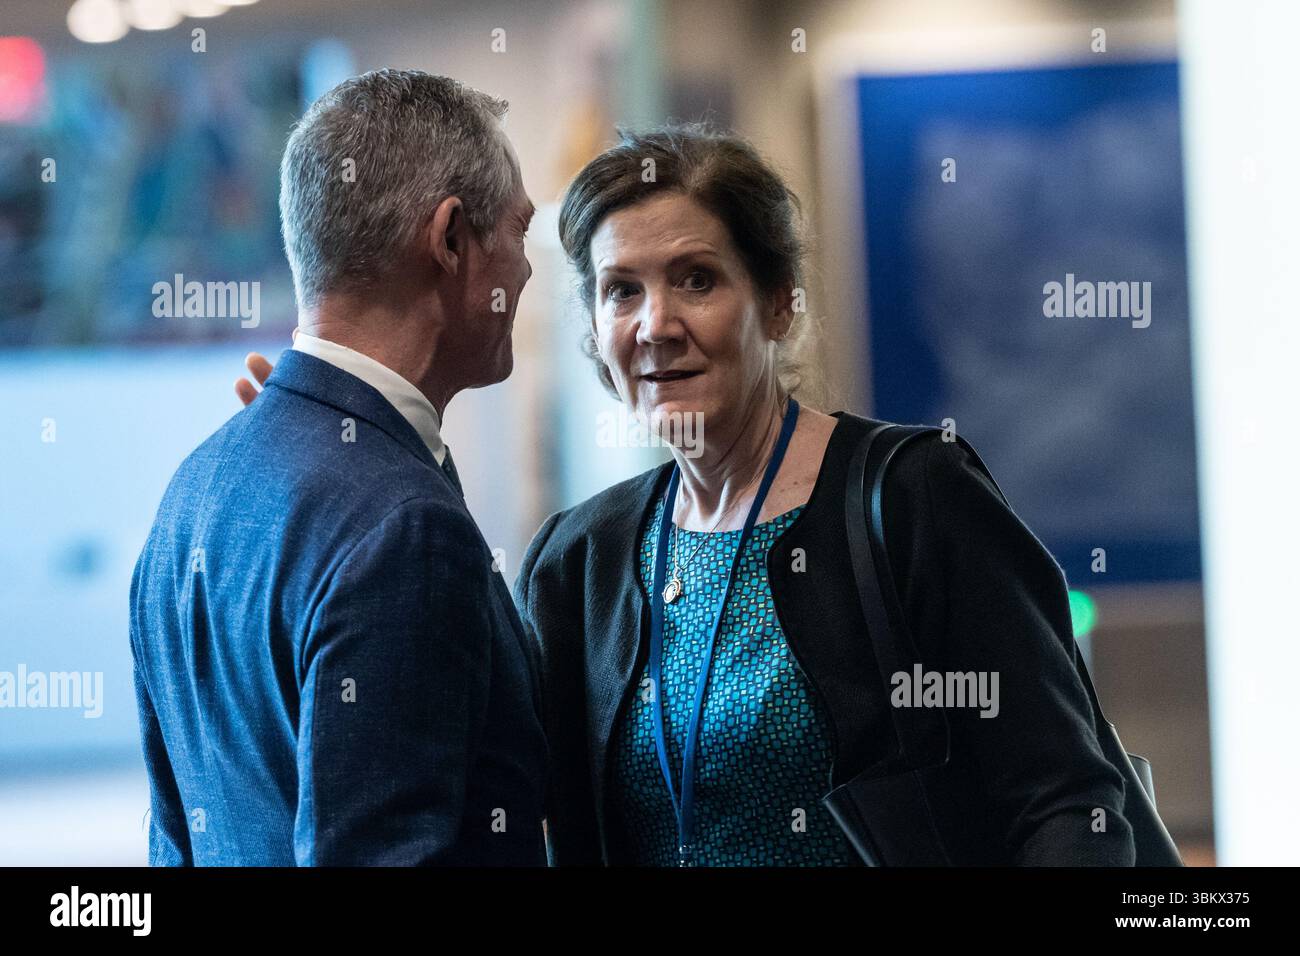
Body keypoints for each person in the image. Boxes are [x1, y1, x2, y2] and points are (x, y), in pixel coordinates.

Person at [512, 124, 1137, 866]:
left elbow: (1067, 805)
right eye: (622, 291)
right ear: (594, 328)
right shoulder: (580, 560)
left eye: (696, 279)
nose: (656, 326)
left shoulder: (913, 499)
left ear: (778, 304)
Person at [130, 70, 545, 865]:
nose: (526, 271)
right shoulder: (403, 529)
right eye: (518, 233)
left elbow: (176, 840)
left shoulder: (192, 487)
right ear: (451, 239)